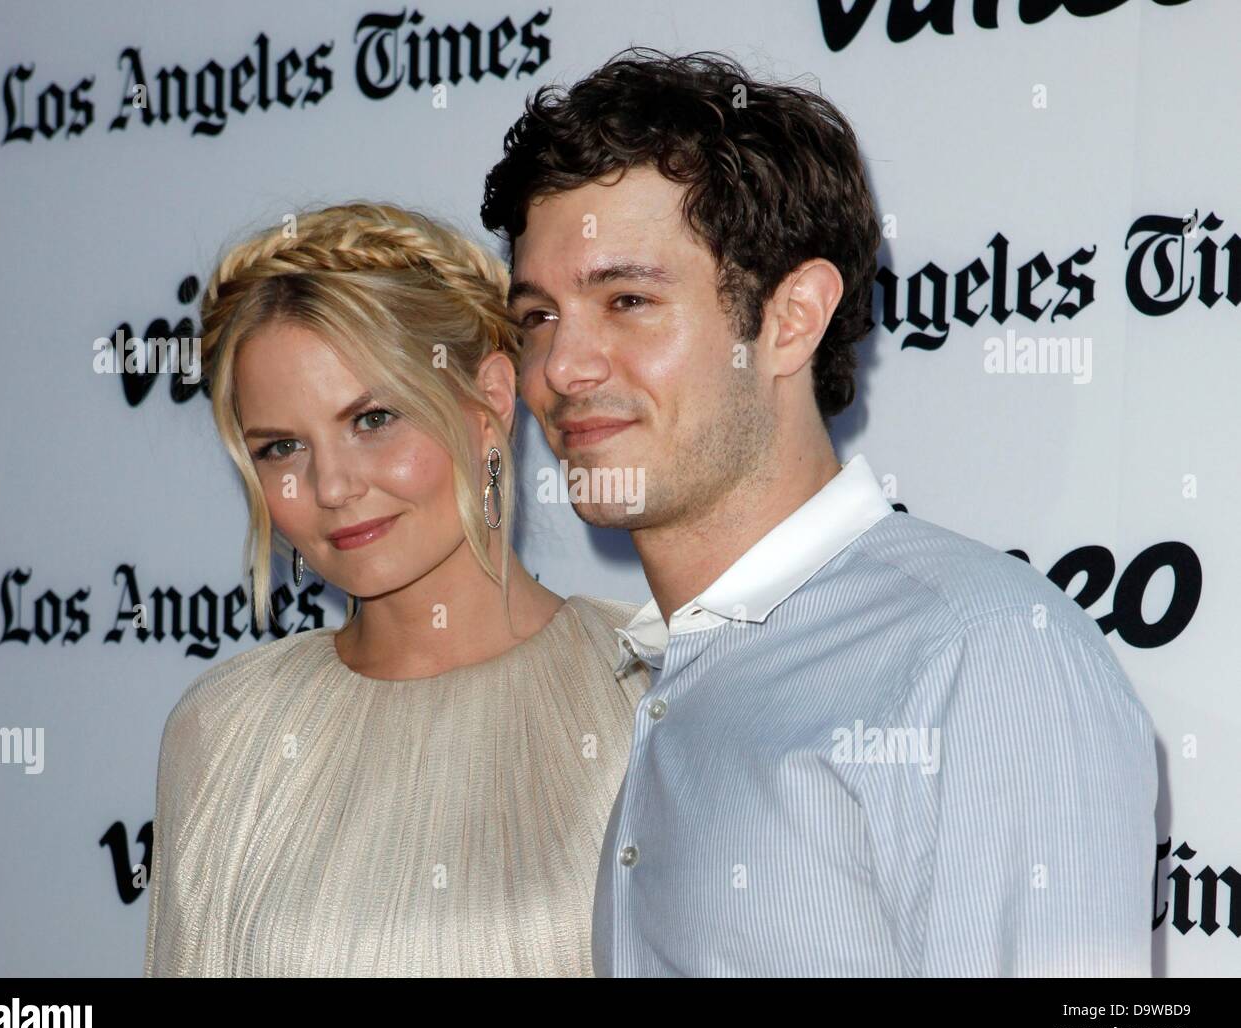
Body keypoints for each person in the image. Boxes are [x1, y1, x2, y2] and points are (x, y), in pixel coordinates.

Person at [480, 48, 1159, 977]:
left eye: (628, 300)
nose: (561, 368)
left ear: (792, 317)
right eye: (538, 318)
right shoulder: (678, 676)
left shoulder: (984, 656)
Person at [142, 202, 651, 976]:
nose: (334, 485)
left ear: (489, 400)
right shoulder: (224, 730)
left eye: (374, 418)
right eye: (282, 447)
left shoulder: (650, 692)